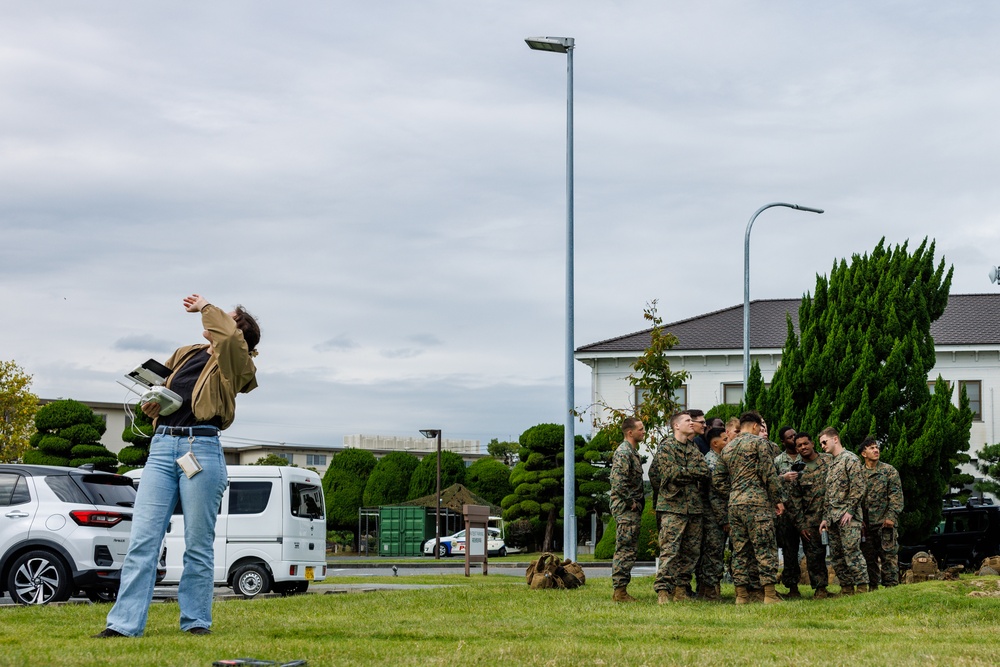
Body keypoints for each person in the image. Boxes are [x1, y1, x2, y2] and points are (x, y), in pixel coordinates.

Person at [96, 294, 260, 638]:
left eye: (223, 317)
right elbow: (161, 387)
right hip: (162, 446)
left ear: (237, 330)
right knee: (143, 540)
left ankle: (196, 621)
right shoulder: (187, 353)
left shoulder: (238, 362)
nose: (211, 321)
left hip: (200, 449)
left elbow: (228, 337)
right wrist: (155, 405)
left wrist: (205, 306)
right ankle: (123, 625)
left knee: (198, 543)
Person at [712, 411, 786, 604]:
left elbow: (718, 479)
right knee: (765, 548)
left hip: (735, 505)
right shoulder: (759, 443)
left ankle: (741, 596)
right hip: (758, 504)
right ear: (754, 426)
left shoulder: (728, 448)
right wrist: (778, 499)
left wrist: (734, 492)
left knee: (740, 550)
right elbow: (768, 474)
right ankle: (769, 594)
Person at [650, 412, 710, 604]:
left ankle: (681, 589)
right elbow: (671, 473)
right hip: (672, 507)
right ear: (676, 426)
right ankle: (663, 591)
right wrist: (689, 473)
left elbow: (705, 471)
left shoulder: (693, 448)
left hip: (693, 508)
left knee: (691, 552)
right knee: (670, 550)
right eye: (687, 421)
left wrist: (684, 473)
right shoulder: (667, 446)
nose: (692, 423)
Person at [818, 427, 868, 595]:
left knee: (852, 552)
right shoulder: (832, 463)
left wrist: (851, 510)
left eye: (824, 442)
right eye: (821, 444)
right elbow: (829, 494)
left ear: (835, 439)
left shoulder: (850, 459)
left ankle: (861, 586)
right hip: (833, 518)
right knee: (837, 556)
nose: (823, 446)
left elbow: (859, 487)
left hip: (848, 517)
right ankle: (846, 588)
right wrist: (825, 518)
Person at [859, 436, 904, 589]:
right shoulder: (858, 473)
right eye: (871, 448)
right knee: (868, 558)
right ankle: (872, 588)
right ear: (864, 453)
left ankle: (891, 587)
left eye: (876, 447)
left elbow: (896, 496)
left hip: (885, 524)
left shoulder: (888, 471)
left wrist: (891, 517)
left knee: (888, 557)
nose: (876, 450)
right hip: (865, 525)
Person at [790, 432, 832, 598]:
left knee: (841, 552)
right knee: (814, 556)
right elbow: (794, 500)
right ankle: (820, 589)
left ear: (812, 443)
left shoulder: (829, 461)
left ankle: (848, 586)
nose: (803, 447)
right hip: (811, 520)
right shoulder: (796, 469)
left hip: (832, 516)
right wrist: (801, 525)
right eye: (799, 446)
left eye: (805, 444)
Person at [610, 417, 646, 602]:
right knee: (625, 549)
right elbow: (617, 482)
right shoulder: (624, 452)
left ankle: (621, 589)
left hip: (630, 508)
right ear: (630, 432)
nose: (644, 431)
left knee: (629, 549)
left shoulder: (632, 452)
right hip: (625, 509)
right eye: (640, 429)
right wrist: (630, 501)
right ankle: (619, 591)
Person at [694, 426, 729, 601]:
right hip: (713, 516)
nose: (728, 441)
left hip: (715, 514)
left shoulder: (719, 459)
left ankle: (707, 589)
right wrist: (724, 518)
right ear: (715, 443)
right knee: (713, 553)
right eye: (725, 439)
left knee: (713, 552)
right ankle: (710, 590)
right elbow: (716, 494)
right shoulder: (713, 462)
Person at [774, 426, 803, 598]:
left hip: (804, 509)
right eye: (790, 437)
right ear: (784, 441)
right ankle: (792, 586)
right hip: (785, 511)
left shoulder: (805, 457)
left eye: (795, 435)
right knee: (789, 549)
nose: (794, 438)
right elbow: (771, 482)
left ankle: (819, 585)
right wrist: (783, 479)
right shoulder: (778, 461)